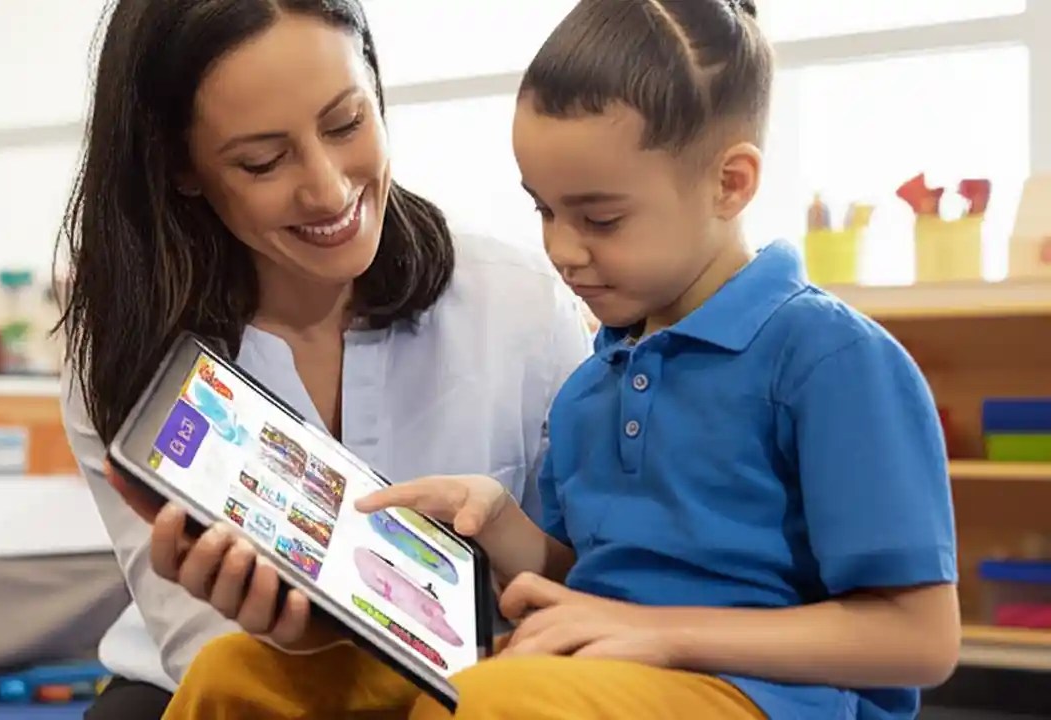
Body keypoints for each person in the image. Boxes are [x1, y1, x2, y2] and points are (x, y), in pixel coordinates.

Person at [151, 0, 962, 718]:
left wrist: (654, 633)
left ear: (731, 182)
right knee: (241, 675)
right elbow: (589, 582)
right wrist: (502, 525)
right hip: (593, 672)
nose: (561, 251)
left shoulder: (827, 359)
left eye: (600, 218)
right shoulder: (591, 383)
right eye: (544, 210)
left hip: (765, 695)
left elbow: (919, 640)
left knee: (495, 701)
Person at [55, 0, 593, 718]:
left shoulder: (520, 304)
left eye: (346, 123)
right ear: (182, 166)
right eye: (263, 161)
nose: (330, 188)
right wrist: (298, 640)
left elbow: (592, 579)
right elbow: (200, 651)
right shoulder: (130, 352)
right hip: (224, 682)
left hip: (483, 682)